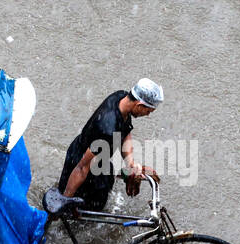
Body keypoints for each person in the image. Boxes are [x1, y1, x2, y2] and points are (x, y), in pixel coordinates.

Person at [57, 78, 163, 210]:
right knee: (83, 211)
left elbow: (125, 130)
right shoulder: (107, 129)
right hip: (83, 162)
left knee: (101, 199)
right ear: (139, 105)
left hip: (100, 162)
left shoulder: (121, 97)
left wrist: (130, 164)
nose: (147, 115)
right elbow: (81, 168)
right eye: (148, 111)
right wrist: (65, 201)